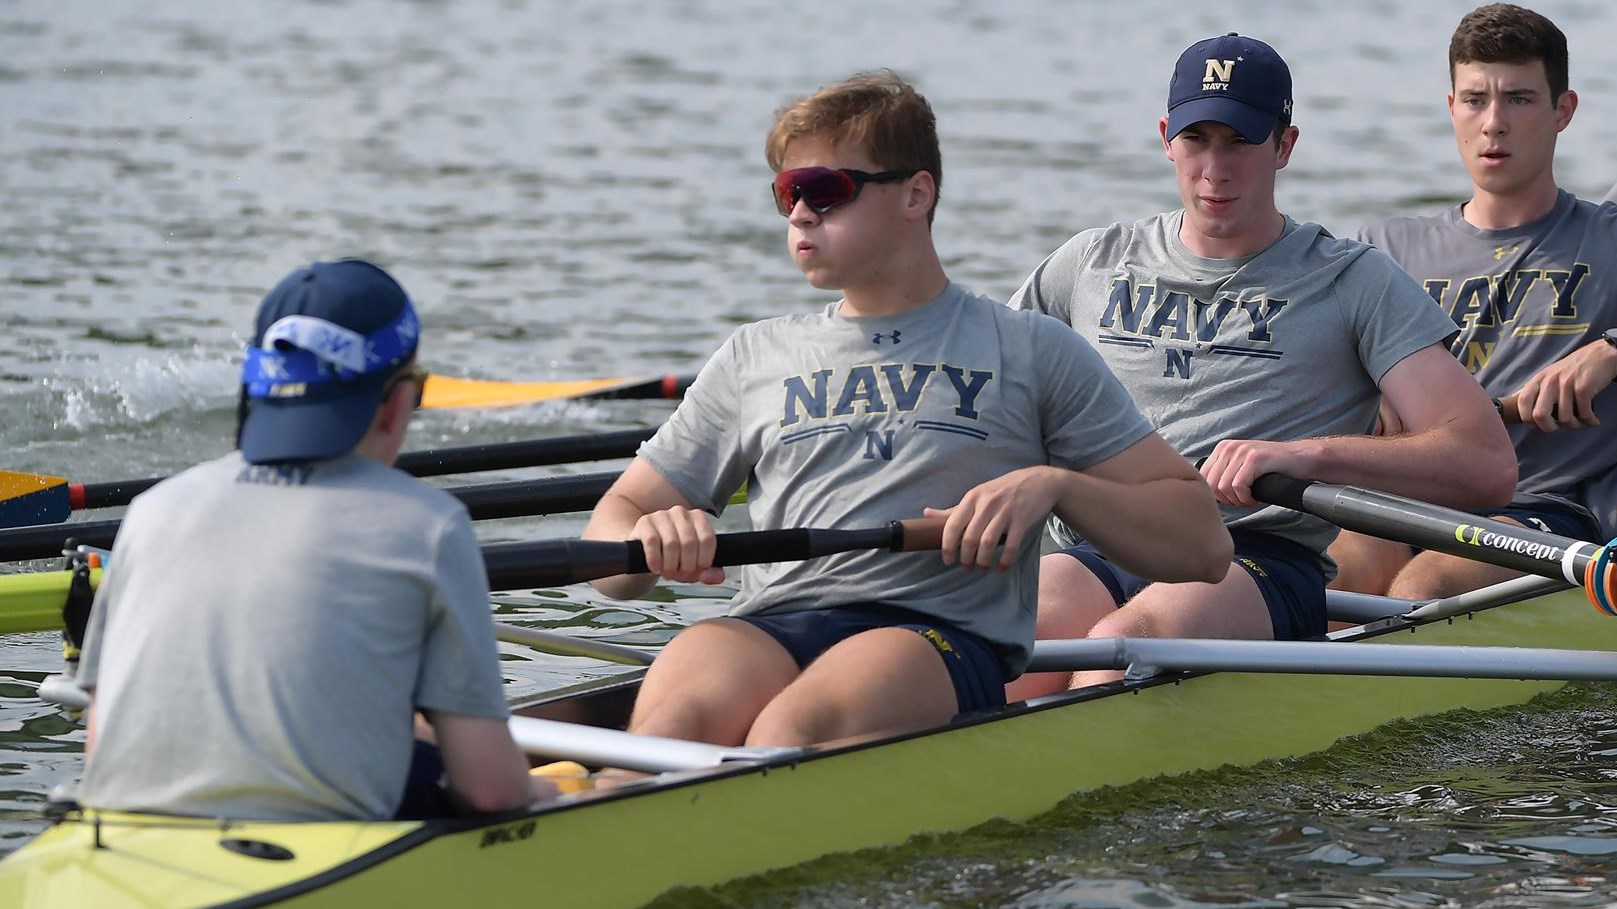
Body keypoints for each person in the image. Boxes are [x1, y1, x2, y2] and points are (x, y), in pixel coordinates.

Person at [581, 71, 1231, 749]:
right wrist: (649, 543)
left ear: (915, 194)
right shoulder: (754, 355)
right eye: (786, 193)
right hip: (770, 621)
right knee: (669, 730)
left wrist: (1057, 486)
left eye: (825, 190)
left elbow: (1203, 544)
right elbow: (611, 541)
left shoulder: (1031, 350)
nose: (800, 213)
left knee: (791, 729)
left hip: (934, 635)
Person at [1005, 33, 1517, 698]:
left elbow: (1485, 463)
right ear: (1165, 137)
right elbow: (990, 403)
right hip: (1107, 542)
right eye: (1196, 140)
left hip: (1255, 556)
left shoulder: (1352, 282)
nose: (1214, 169)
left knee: (1115, 653)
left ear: (1284, 145)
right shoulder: (1088, 262)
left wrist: (1306, 455)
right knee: (1017, 648)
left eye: (1240, 142)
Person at [75, 259, 549, 821]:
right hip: (314, 856)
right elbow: (490, 794)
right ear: (397, 401)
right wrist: (547, 796)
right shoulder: (428, 524)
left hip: (119, 834)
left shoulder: (153, 510)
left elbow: (100, 744)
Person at [1329, 4, 1617, 600]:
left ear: (1563, 111)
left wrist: (1609, 350)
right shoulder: (1380, 249)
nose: (1493, 123)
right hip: (1399, 503)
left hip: (1546, 512)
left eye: (1519, 99)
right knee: (1333, 578)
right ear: (1451, 107)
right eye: (1474, 99)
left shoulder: (1608, 235)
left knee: (1422, 588)